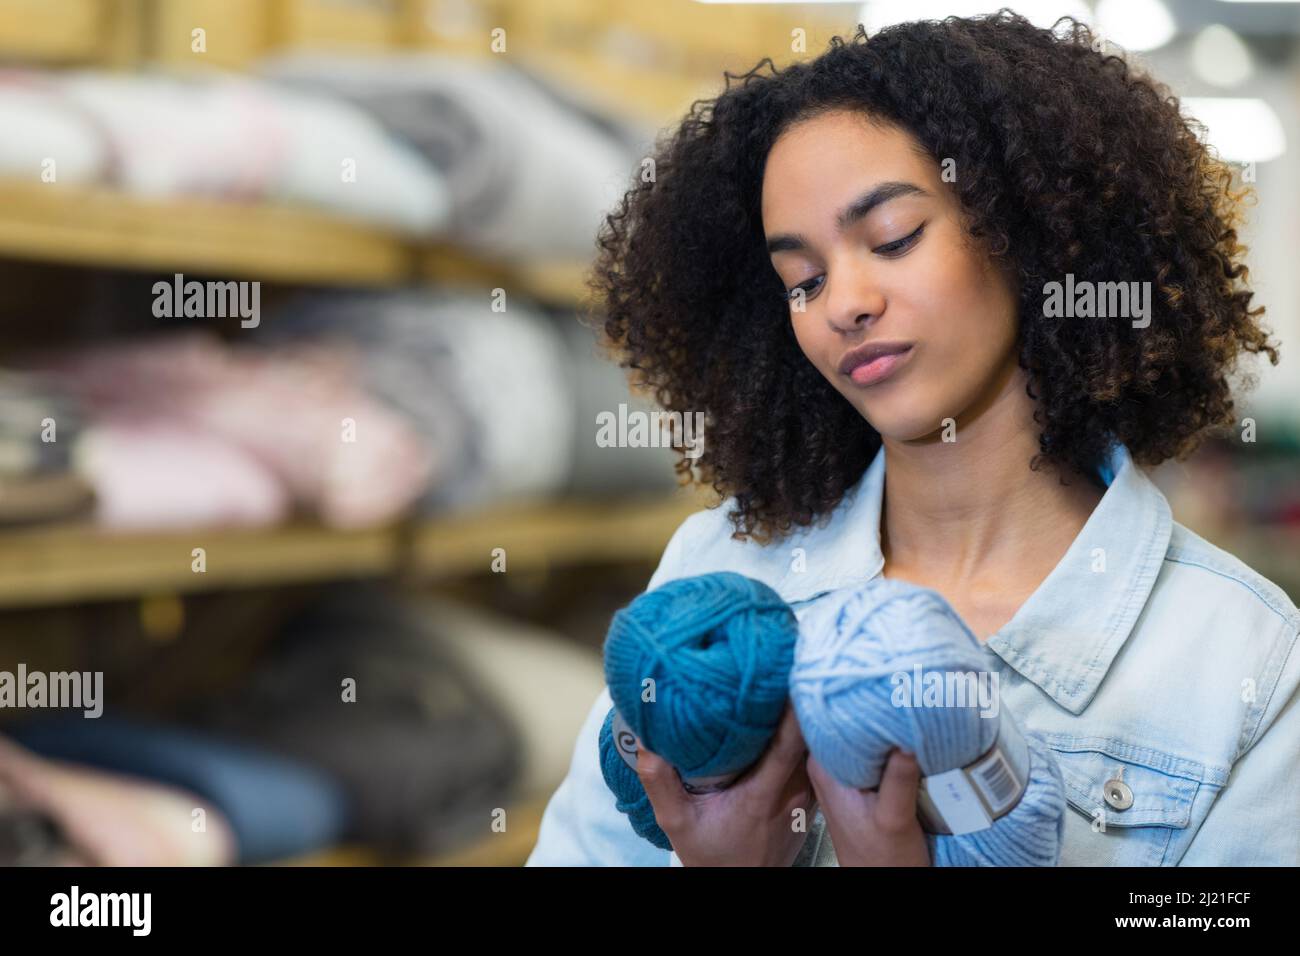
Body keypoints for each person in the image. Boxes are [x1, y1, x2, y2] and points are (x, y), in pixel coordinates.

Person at [527, 13, 1298, 866]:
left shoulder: (1244, 666)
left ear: (1031, 232)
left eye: (892, 239)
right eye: (801, 280)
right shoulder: (716, 577)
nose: (843, 304)